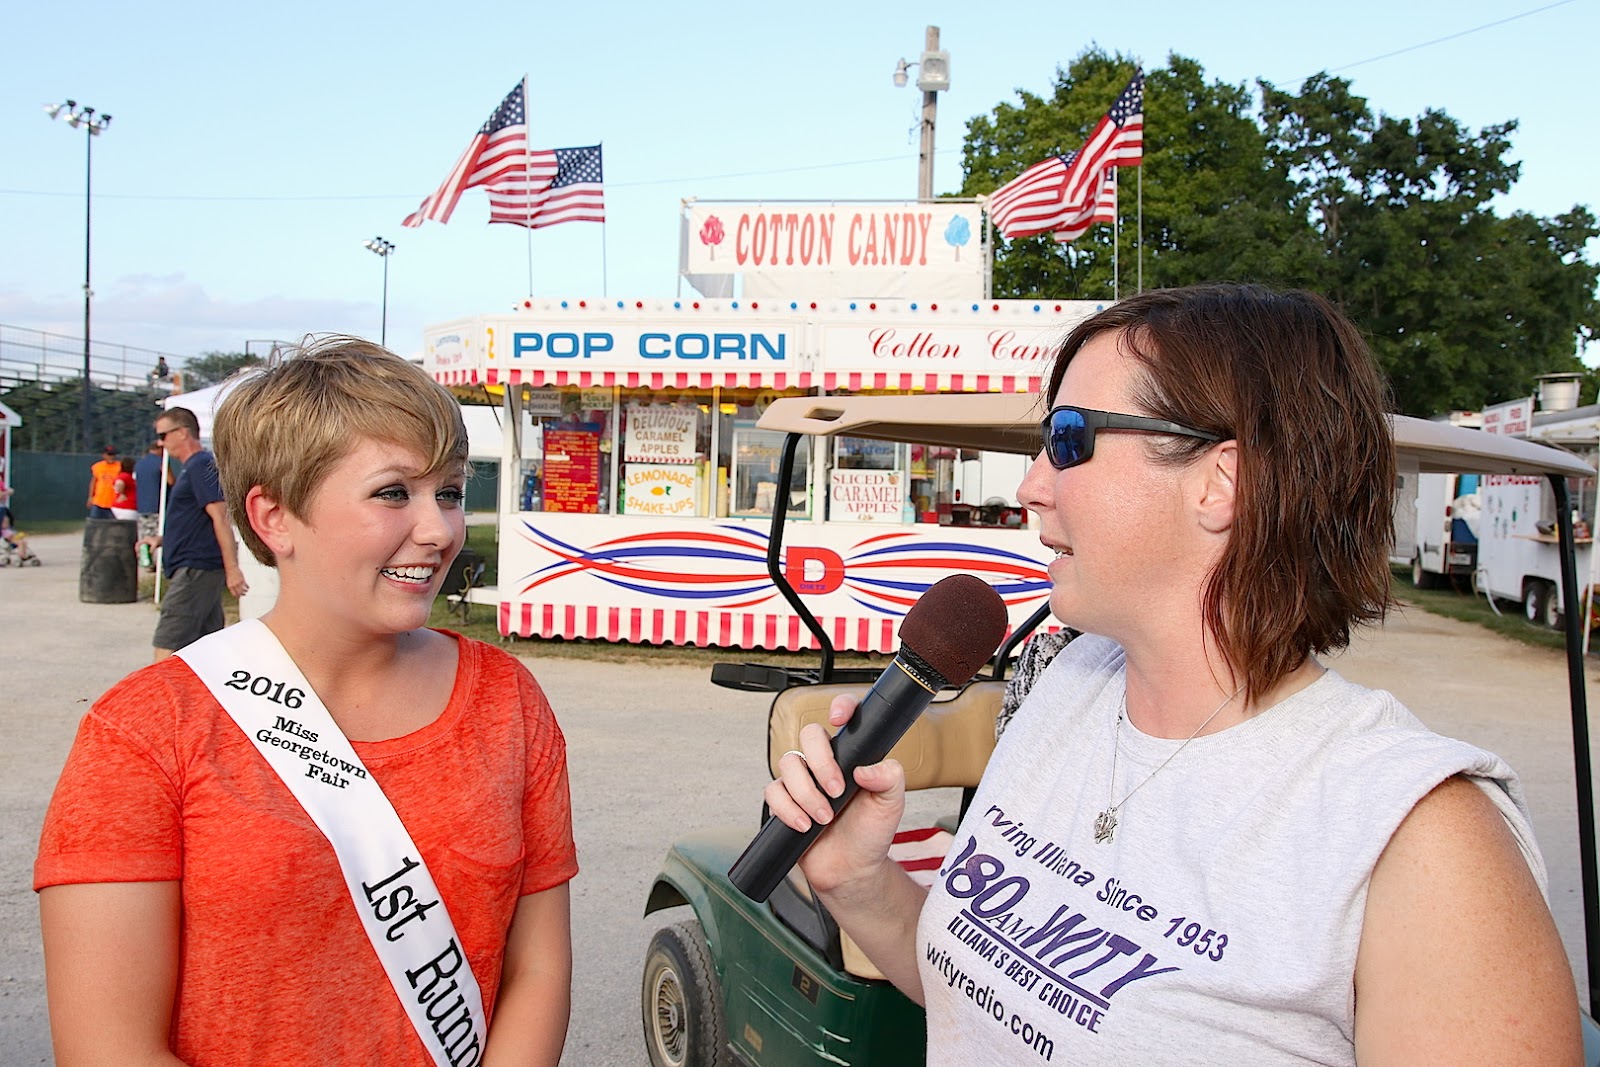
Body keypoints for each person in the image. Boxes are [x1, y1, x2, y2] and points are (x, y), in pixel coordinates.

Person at [766, 284, 1580, 1065]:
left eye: (1070, 438)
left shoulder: (1421, 840)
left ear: (1222, 480)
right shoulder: (1065, 685)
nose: (1030, 486)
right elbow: (986, 1004)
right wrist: (858, 882)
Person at [36, 336, 578, 1066]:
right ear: (273, 517)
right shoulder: (144, 730)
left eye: (449, 490)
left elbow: (537, 969)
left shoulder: (507, 701)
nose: (441, 528)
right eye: (394, 492)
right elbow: (106, 1045)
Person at [136, 407, 247, 659]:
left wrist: (233, 569)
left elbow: (220, 517)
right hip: (197, 566)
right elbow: (195, 523)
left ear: (183, 432)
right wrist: (161, 540)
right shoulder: (192, 468)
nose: (160, 443)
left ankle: (157, 697)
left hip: (196, 568)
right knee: (205, 644)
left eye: (163, 435)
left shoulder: (200, 465)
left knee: (169, 638)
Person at [132, 440, 168, 553]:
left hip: (142, 506)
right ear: (159, 449)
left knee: (144, 535)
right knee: (159, 535)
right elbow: (171, 480)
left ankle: (145, 559)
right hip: (157, 505)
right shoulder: (161, 463)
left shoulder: (139, 464)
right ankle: (158, 561)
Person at [86, 445, 120, 518]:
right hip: (98, 501)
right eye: (109, 454)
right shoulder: (98, 466)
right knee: (95, 523)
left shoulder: (120, 466)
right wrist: (90, 497)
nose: (112, 457)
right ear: (104, 455)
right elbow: (94, 482)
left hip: (114, 502)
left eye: (113, 454)